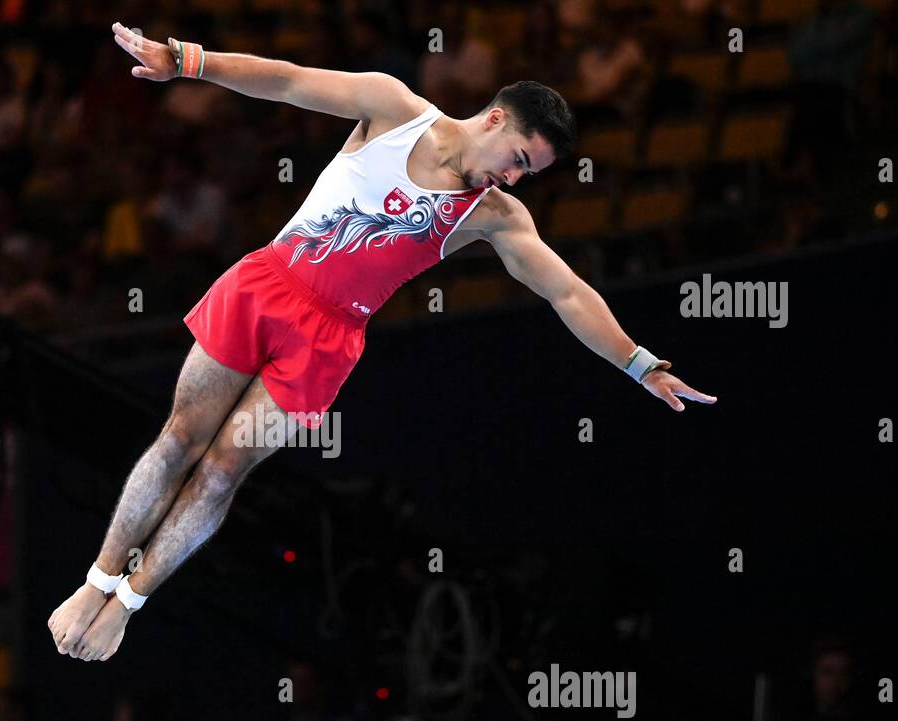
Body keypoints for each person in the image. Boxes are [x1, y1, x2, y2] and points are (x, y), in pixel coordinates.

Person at [47, 24, 717, 662]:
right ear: (494, 119)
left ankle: (127, 605)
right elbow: (286, 80)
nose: (513, 180)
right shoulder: (395, 108)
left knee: (225, 468)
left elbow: (568, 292)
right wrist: (189, 62)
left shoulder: (495, 216)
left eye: (527, 175)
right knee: (181, 438)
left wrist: (637, 362)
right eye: (517, 160)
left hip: (330, 337)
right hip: (266, 285)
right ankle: (95, 581)